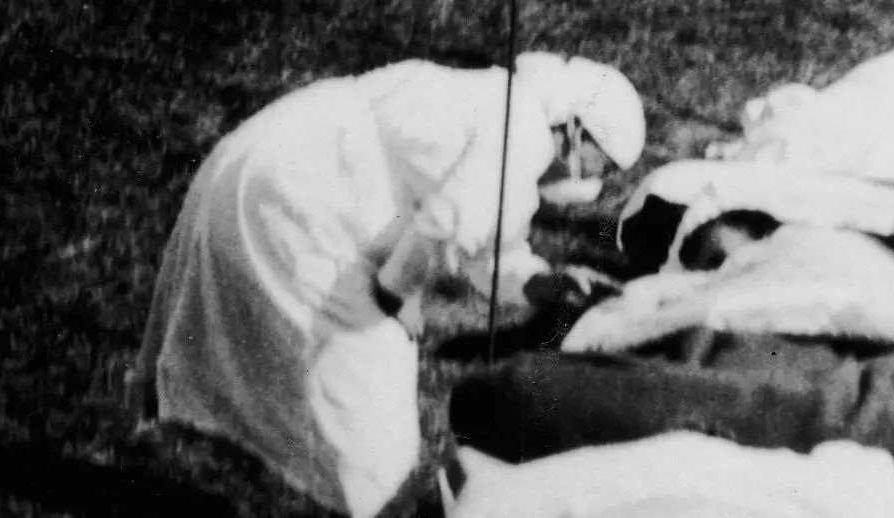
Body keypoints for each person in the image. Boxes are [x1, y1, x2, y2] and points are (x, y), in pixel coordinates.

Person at [138, 56, 650, 518]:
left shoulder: (508, 107)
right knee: (379, 434)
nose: (596, 182)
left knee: (344, 386)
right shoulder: (524, 136)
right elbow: (445, 228)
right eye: (603, 166)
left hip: (278, 154)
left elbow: (486, 237)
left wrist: (542, 283)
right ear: (576, 131)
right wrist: (396, 296)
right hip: (303, 198)